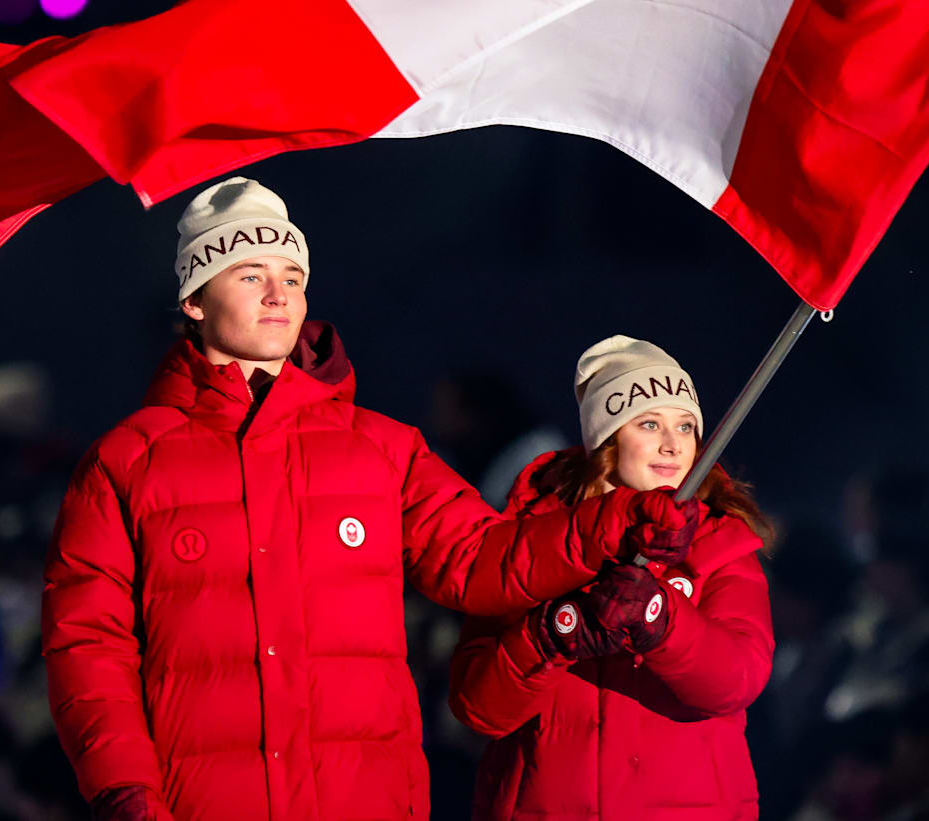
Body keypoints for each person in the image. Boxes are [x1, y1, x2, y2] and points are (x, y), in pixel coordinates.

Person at [41, 178, 689, 820]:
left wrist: (617, 522)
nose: (279, 295)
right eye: (249, 275)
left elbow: (482, 557)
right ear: (194, 300)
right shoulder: (125, 463)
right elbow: (87, 644)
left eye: (293, 277)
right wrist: (122, 790)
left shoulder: (383, 448)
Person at [449, 336, 776, 820]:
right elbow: (479, 708)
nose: (673, 443)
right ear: (606, 438)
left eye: (686, 426)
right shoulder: (531, 541)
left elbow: (737, 680)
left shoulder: (721, 542)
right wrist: (551, 636)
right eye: (649, 424)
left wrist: (663, 621)